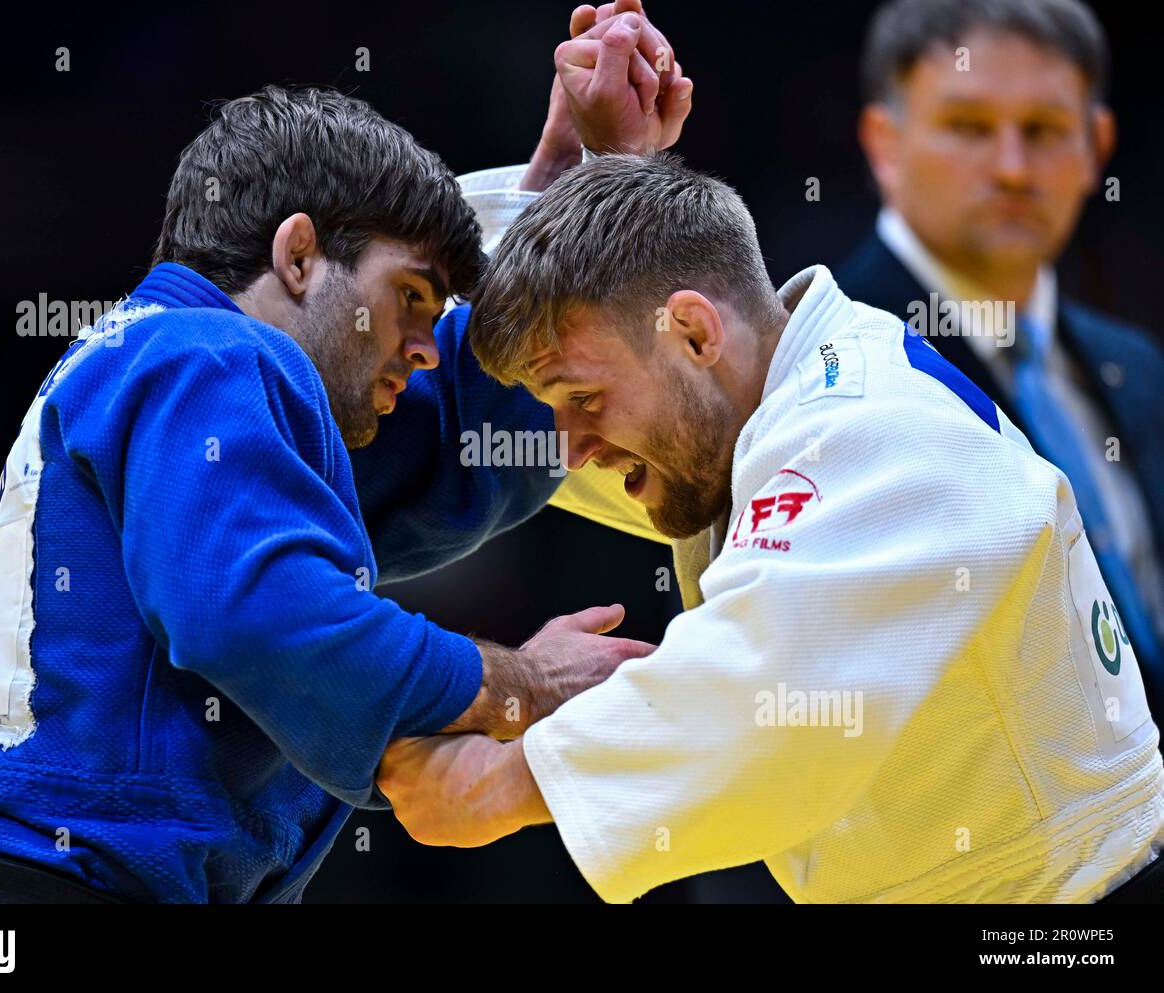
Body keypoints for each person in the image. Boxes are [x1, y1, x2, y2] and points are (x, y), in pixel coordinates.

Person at [0, 6, 686, 904]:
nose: (425, 348)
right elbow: (262, 614)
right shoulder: (210, 354)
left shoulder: (164, 365)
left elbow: (454, 435)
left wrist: (576, 192)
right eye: (412, 296)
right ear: (299, 255)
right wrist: (525, 682)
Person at [376, 153, 1164, 904]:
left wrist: (498, 785)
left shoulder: (864, 426)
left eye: (581, 397)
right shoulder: (776, 396)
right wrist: (549, 177)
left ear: (692, 332)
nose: (570, 446)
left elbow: (761, 693)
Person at [836, 0, 1164, 715]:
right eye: (969, 127)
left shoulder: (1137, 368)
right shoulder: (827, 366)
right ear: (883, 144)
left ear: (1096, 148)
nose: (1013, 168)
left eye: (1044, 131)